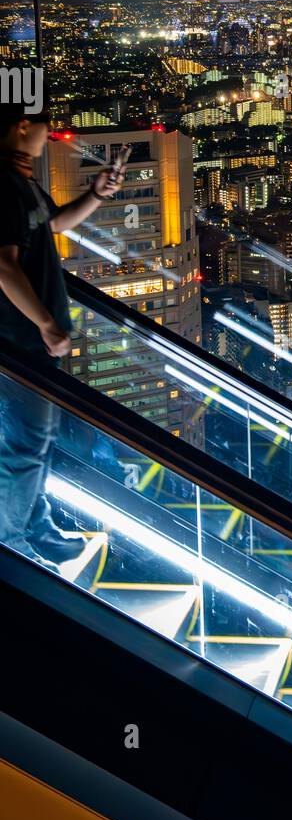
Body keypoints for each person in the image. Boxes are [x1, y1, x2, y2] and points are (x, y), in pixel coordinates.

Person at [0, 96, 127, 571]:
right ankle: (13, 545)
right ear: (20, 127)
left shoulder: (20, 183)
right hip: (18, 341)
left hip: (28, 339)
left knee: (36, 440)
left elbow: (53, 225)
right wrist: (46, 323)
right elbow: (3, 265)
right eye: (43, 126)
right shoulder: (3, 185)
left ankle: (37, 528)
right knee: (25, 444)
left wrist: (96, 194)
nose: (48, 133)